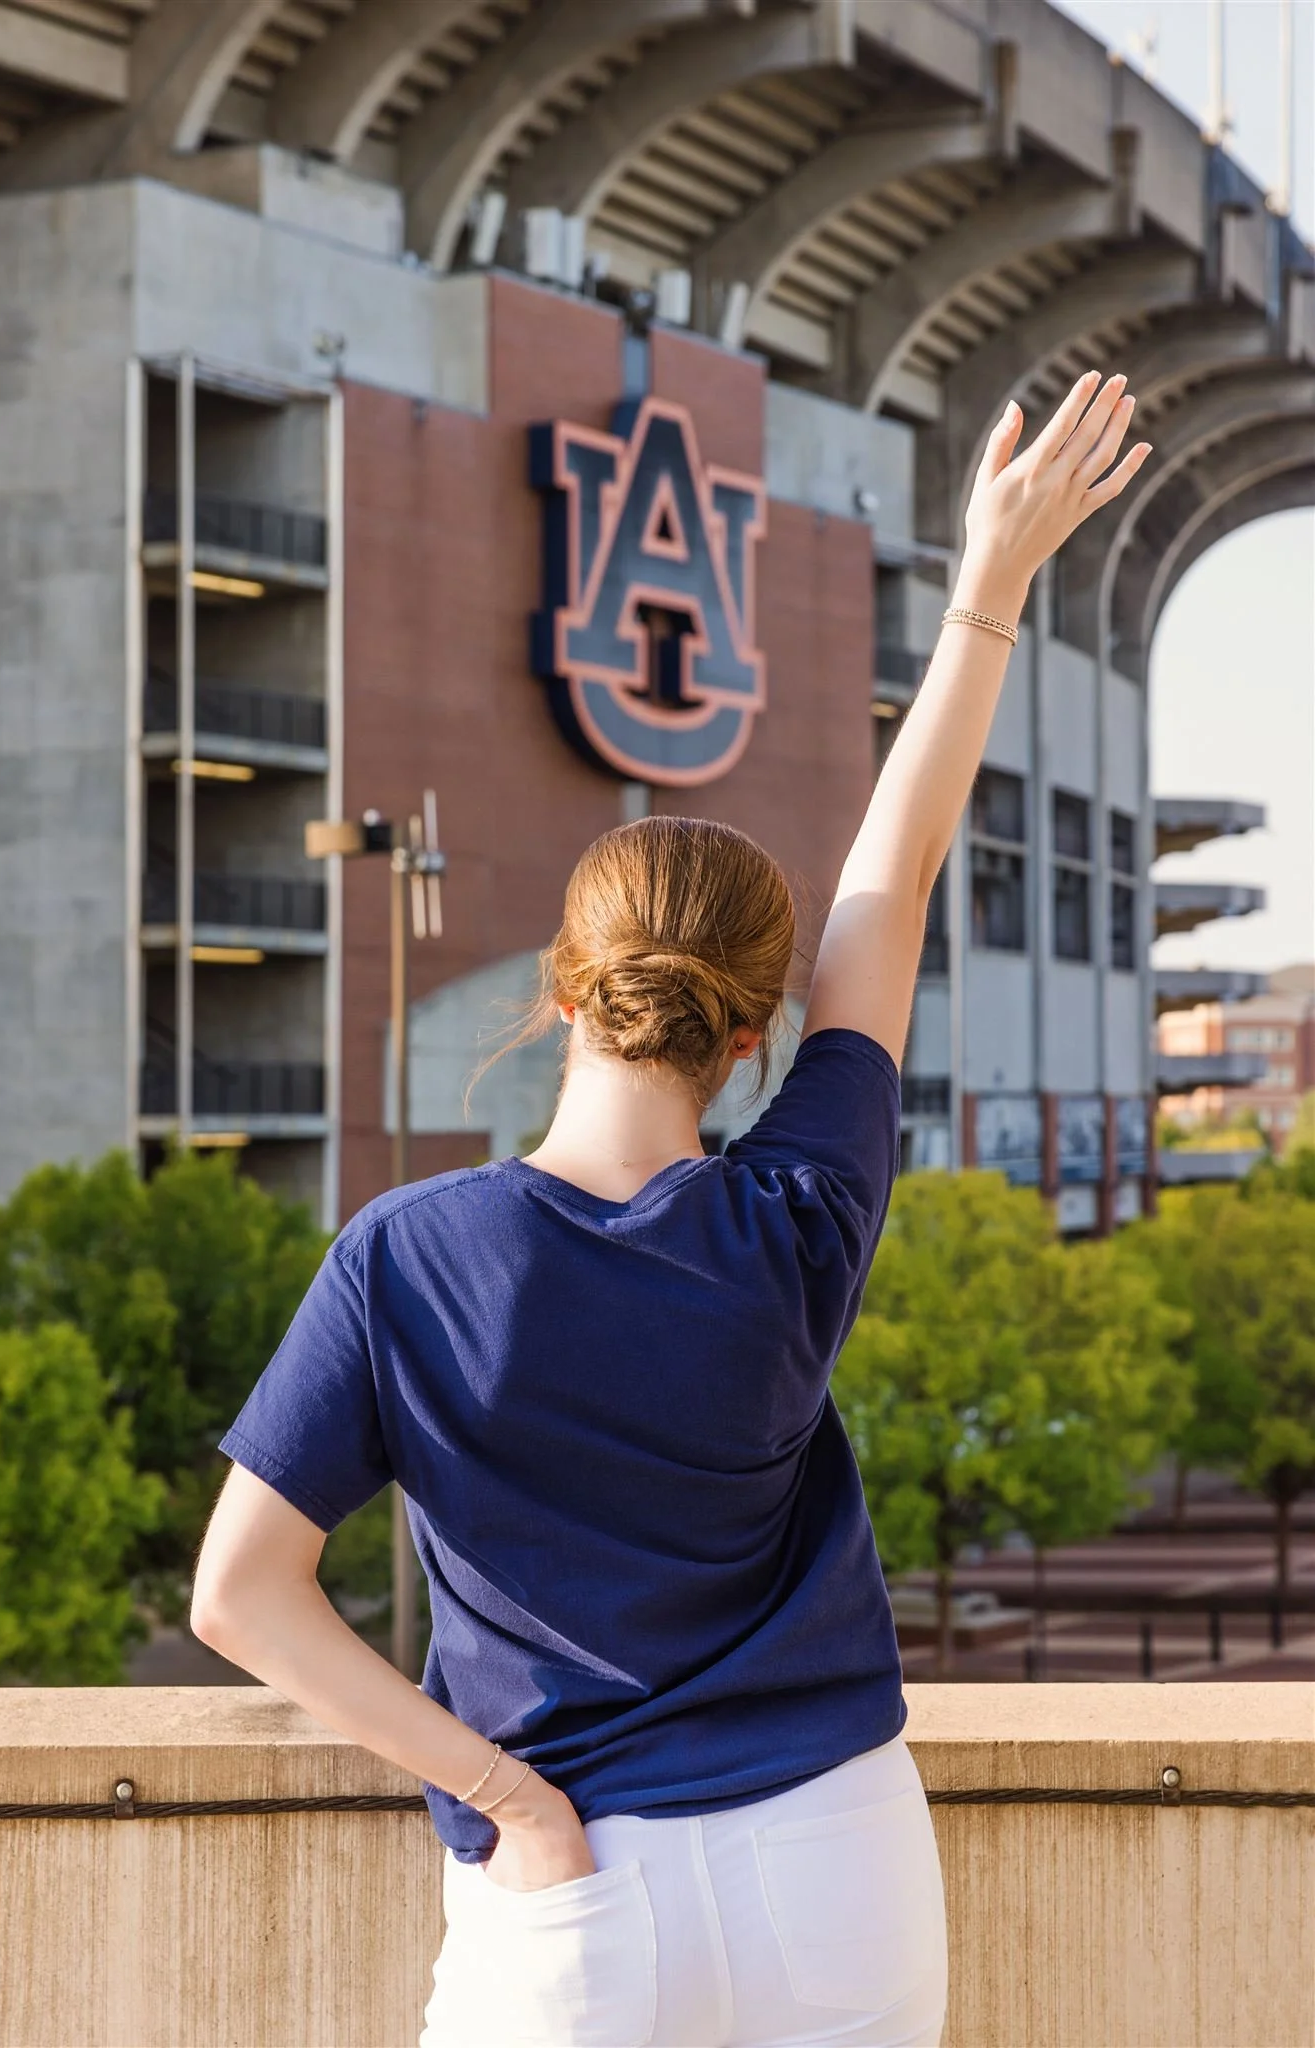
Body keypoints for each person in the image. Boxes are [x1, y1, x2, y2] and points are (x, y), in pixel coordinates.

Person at [191, 371, 1149, 2047]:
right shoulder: (801, 1213)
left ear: (565, 991)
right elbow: (892, 876)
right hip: (840, 1864)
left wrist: (513, 1798)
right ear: (756, 1027)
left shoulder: (407, 1257)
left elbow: (240, 1597)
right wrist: (986, 585)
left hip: (569, 1898)